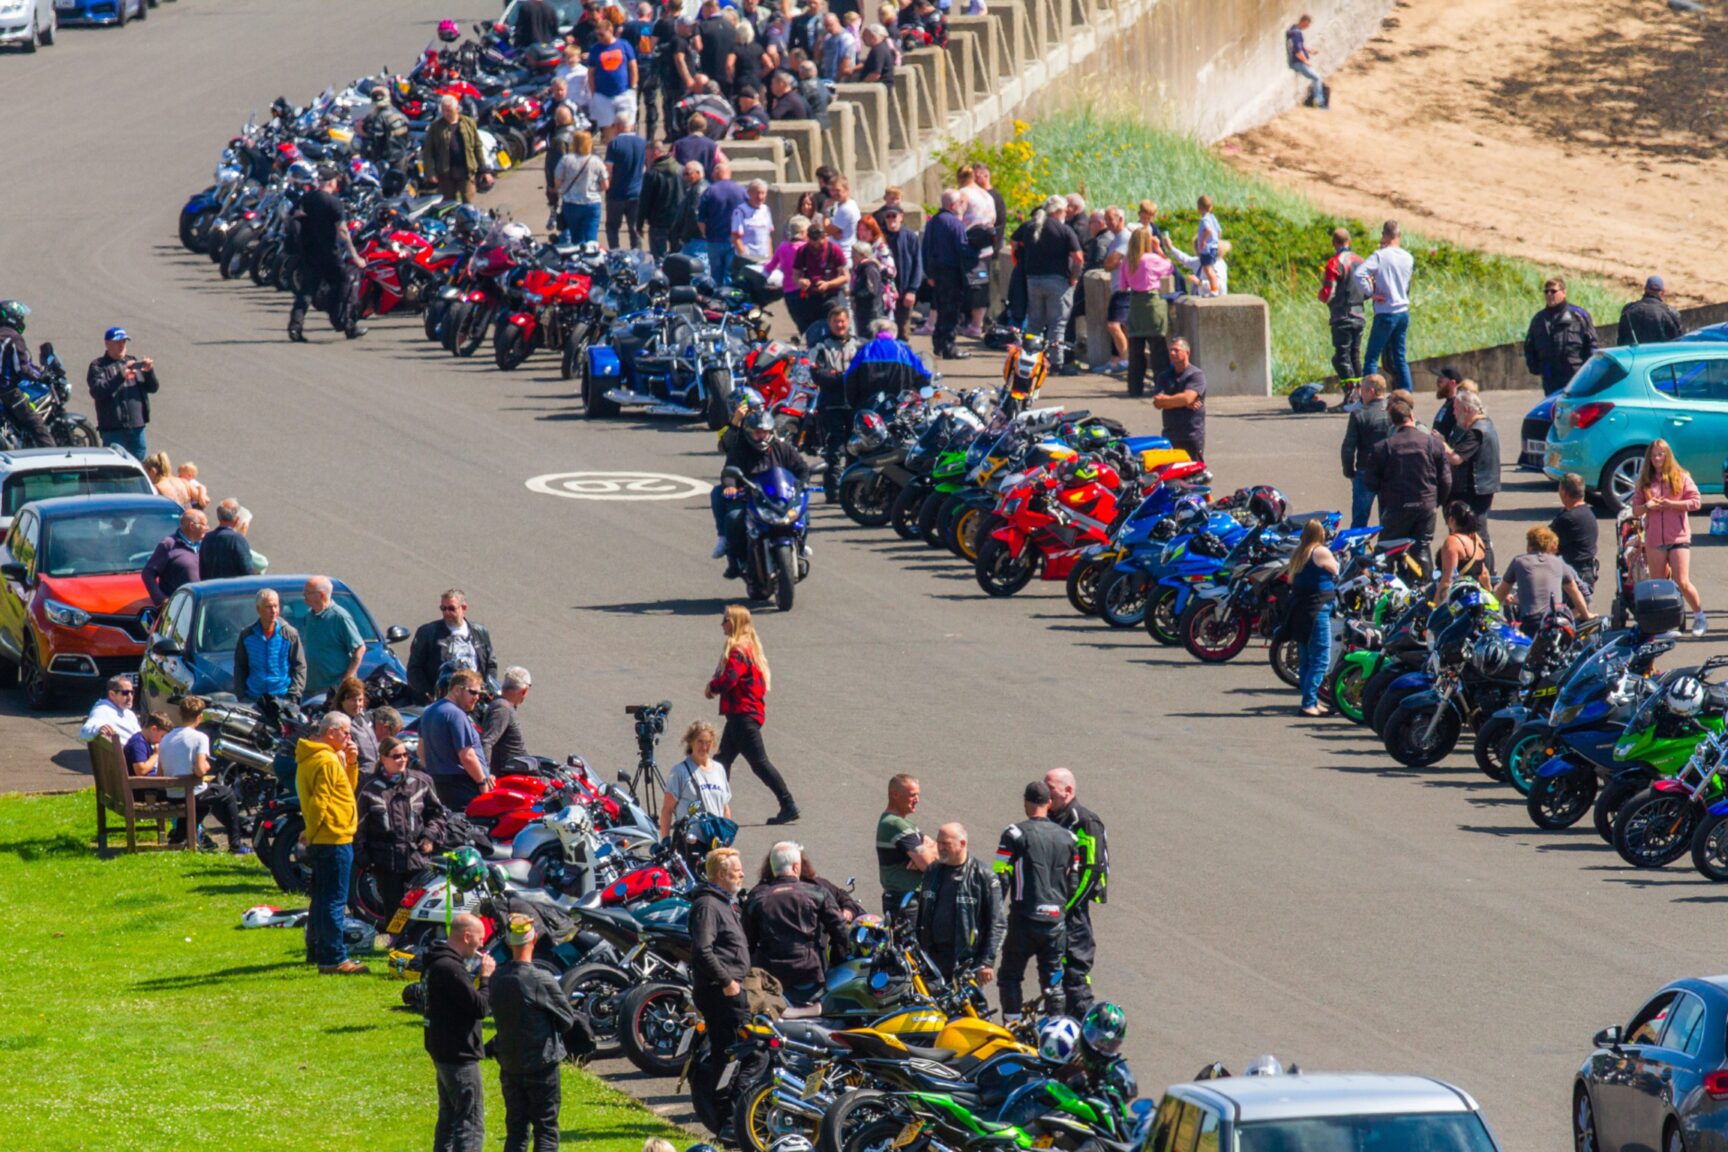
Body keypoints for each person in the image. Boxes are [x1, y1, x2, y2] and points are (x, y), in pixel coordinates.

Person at [491, 914, 578, 1152]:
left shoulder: (497, 977)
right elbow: (566, 1018)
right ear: (535, 938)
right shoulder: (540, 979)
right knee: (546, 1130)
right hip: (542, 1063)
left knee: (516, 1131)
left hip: (510, 1063)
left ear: (507, 942)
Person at [704, 605, 799, 823]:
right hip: (741, 715)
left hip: (742, 715)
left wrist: (712, 687)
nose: (722, 624)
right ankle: (715, 808)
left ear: (735, 622)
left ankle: (788, 803)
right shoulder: (749, 648)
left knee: (759, 763)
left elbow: (730, 679)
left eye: (725, 619)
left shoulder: (738, 651)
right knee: (722, 762)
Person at [688, 847, 756, 1137]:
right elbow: (702, 950)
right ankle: (729, 1123)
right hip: (722, 995)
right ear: (720, 875)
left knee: (740, 1053)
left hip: (728, 992)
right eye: (736, 871)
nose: (742, 874)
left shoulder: (723, 903)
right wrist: (727, 981)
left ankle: (731, 1120)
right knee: (742, 1055)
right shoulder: (708, 906)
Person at [994, 780, 1076, 1019]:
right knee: (1053, 981)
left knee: (1009, 976)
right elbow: (1073, 882)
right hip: (1055, 922)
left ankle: (1012, 1027)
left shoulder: (1014, 833)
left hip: (1023, 919)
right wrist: (1062, 911)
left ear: (1026, 803)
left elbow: (1001, 875)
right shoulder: (1069, 838)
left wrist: (994, 913)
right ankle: (1055, 1027)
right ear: (1049, 803)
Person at [744, 841, 849, 1005]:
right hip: (808, 973)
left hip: (769, 976)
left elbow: (746, 941)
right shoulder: (817, 893)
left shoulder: (756, 897)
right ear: (795, 867)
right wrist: (837, 960)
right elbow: (840, 930)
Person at [296, 710, 363, 971]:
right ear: (331, 732)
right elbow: (319, 803)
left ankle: (317, 950)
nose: (349, 738)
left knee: (322, 898)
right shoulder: (326, 760)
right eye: (346, 733)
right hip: (333, 837)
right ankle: (334, 957)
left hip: (327, 836)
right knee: (334, 900)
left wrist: (352, 764)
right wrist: (311, 834)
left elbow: (345, 790)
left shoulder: (318, 756)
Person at [355, 735, 448, 922]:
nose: (403, 759)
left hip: (417, 858)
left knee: (420, 911)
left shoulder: (421, 781)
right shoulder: (368, 787)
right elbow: (357, 826)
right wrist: (364, 858)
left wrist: (430, 837)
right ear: (383, 758)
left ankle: (418, 939)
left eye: (405, 755)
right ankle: (397, 939)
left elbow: (438, 815)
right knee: (395, 914)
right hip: (385, 862)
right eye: (396, 756)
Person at [424, 912, 495, 1152]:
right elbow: (480, 1007)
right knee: (470, 1123)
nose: (481, 944)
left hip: (442, 1051)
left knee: (448, 1119)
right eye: (480, 938)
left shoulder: (436, 962)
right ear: (466, 936)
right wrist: (485, 978)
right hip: (459, 1055)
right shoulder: (450, 968)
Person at [1044, 768, 1108, 1018]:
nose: (1045, 794)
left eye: (1050, 789)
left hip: (1073, 915)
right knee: (1051, 980)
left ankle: (1088, 1031)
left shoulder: (1085, 821)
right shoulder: (1048, 819)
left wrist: (1067, 908)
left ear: (1068, 791)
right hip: (1051, 912)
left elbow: (1092, 872)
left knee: (1075, 979)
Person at [1362, 396, 1450, 578]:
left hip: (1396, 507)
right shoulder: (1433, 443)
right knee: (1421, 547)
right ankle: (1422, 586)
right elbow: (1446, 480)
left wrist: (1385, 494)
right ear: (1412, 416)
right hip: (1425, 505)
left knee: (1386, 549)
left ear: (1392, 422)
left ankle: (1383, 585)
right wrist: (1435, 502)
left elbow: (1370, 482)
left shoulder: (1383, 447)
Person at [1632, 439, 1706, 636]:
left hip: (1678, 537)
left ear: (1667, 456)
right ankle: (1663, 625)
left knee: (1682, 580)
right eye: (1653, 455)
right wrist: (1647, 506)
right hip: (1654, 539)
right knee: (1658, 584)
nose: (1657, 458)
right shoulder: (1644, 481)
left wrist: (1672, 504)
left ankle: (1699, 616)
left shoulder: (1681, 476)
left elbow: (1696, 502)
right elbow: (1636, 510)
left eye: (1660, 454)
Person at [916, 822, 1003, 985]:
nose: (940, 847)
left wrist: (987, 961)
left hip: (967, 963)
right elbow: (921, 913)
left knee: (967, 1003)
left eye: (945, 843)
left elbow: (997, 923)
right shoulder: (932, 871)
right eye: (938, 842)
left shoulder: (983, 875)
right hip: (932, 960)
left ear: (962, 843)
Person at [287, 167, 366, 342]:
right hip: (330, 254)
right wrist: (355, 256)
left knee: (306, 291)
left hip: (309, 252)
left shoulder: (307, 198)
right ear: (331, 182)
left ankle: (295, 327)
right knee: (345, 284)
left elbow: (291, 216)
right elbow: (343, 231)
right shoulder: (334, 202)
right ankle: (347, 325)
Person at [1013, 196, 1083, 375]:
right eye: (1065, 211)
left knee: (1034, 323)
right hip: (1057, 281)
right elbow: (1078, 258)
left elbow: (1013, 243)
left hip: (1033, 279)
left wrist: (1021, 261)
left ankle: (1029, 359)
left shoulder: (1030, 226)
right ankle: (1055, 363)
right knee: (1057, 324)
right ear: (1058, 211)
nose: (1066, 214)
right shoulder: (1064, 229)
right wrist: (1074, 277)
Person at [1437, 388, 1502, 569]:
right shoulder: (1485, 424)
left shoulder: (1477, 430)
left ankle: (1486, 572)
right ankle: (1476, 570)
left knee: (1478, 533)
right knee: (1475, 533)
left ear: (1466, 409)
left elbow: (1456, 458)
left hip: (1474, 490)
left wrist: (1441, 443)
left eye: (1456, 409)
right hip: (1480, 488)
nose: (1454, 413)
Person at [1283, 520, 1339, 716]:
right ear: (1320, 534)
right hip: (1317, 609)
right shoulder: (1320, 551)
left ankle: (1311, 701)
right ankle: (1308, 704)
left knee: (1306, 658)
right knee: (1321, 659)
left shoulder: (1299, 553)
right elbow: (1336, 569)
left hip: (1301, 609)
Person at [1352, 220, 1414, 393]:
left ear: (1384, 235)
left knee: (1372, 357)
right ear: (1399, 235)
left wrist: (1371, 292)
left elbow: (1359, 274)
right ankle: (1407, 393)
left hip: (1386, 311)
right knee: (1400, 357)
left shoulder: (1380, 256)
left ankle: (1369, 395)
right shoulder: (1408, 257)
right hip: (1403, 311)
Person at [1495, 526, 1593, 635]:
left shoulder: (1519, 562)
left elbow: (1502, 591)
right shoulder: (1559, 563)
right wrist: (1586, 615)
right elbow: (1575, 593)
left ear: (1529, 545)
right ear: (1551, 545)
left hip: (1531, 622)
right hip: (1556, 621)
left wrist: (1490, 611)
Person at [408, 589, 499, 704]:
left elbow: (491, 664)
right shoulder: (427, 632)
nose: (446, 613)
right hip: (443, 700)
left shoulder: (480, 632)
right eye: (443, 608)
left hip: (474, 699)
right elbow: (414, 669)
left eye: (451, 608)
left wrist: (487, 689)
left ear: (464, 608)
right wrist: (429, 694)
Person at [421, 669, 494, 811]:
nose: (477, 697)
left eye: (479, 693)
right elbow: (467, 756)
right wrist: (482, 782)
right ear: (456, 690)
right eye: (472, 692)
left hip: (439, 782)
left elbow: (421, 750)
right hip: (462, 786)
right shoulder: (456, 714)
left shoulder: (429, 711)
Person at [810, 303, 862, 499]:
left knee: (855, 448)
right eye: (835, 321)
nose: (839, 325)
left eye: (842, 321)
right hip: (831, 405)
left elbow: (865, 373)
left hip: (855, 404)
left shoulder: (859, 345)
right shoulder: (820, 346)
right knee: (835, 449)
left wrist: (838, 375)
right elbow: (819, 375)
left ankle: (852, 491)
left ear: (848, 322)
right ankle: (833, 491)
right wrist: (847, 377)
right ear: (829, 323)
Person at [85, 326, 157, 458]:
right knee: (114, 466)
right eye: (117, 342)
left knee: (138, 464)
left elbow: (153, 388)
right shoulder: (98, 366)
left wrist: (149, 372)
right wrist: (120, 376)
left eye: (124, 341)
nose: (121, 345)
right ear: (107, 344)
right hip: (113, 429)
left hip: (136, 427)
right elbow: (97, 391)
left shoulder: (132, 361)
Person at [1119, 226, 1174, 396]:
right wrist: (1159, 249)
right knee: (1158, 350)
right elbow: (1170, 267)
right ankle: (1162, 387)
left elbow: (1123, 286)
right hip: (1152, 304)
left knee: (1136, 351)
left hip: (1135, 305)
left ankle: (1135, 388)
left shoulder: (1127, 261)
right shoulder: (1151, 259)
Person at [1524, 276, 1599, 395]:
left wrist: (1588, 372)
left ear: (1563, 293)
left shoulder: (1578, 316)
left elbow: (1592, 345)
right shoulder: (1539, 320)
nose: (1549, 294)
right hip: (1550, 379)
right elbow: (1529, 346)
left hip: (1575, 377)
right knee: (1553, 406)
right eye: (1546, 292)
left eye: (1553, 291)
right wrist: (1536, 368)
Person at [877, 773, 937, 919]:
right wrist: (925, 855)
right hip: (904, 900)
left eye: (918, 794)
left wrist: (928, 851)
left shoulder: (905, 824)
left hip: (912, 898)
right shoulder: (894, 824)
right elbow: (928, 864)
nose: (917, 799)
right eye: (912, 795)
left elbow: (937, 846)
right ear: (895, 795)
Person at [922, 189, 972, 360]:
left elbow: (925, 249)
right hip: (951, 274)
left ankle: (939, 344)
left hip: (936, 274)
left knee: (942, 310)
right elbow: (963, 248)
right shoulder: (955, 224)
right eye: (960, 203)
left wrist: (929, 274)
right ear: (953, 205)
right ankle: (949, 346)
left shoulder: (933, 222)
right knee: (951, 312)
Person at [233, 588, 306, 703]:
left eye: (276, 606)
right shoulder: (247, 635)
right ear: (258, 609)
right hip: (253, 700)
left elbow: (299, 666)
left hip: (283, 700)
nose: (273, 610)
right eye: (268, 607)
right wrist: (242, 696)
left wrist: (294, 695)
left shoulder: (290, 634)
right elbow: (240, 667)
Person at [661, 719, 733, 836]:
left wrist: (726, 835)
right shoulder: (679, 771)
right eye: (700, 741)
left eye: (708, 742)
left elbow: (725, 807)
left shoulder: (719, 769)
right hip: (689, 841)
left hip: (714, 840)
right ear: (691, 742)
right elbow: (667, 810)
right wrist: (665, 840)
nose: (704, 747)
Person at [0, 299, 54, 448]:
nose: (22, 320)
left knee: (14, 422)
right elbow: (22, 368)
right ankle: (52, 455)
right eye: (20, 317)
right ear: (13, 318)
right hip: (7, 391)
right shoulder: (13, 337)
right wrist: (41, 376)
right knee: (36, 424)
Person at [301, 576, 366, 697]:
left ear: (321, 595)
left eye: (307, 592)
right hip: (309, 688)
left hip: (332, 690)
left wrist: (346, 681)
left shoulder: (339, 617)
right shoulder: (310, 616)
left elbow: (360, 648)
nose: (304, 595)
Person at [1339, 374, 1389, 529]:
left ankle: (1358, 545)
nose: (1361, 394)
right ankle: (1387, 544)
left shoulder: (1359, 414)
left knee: (1359, 521)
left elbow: (1348, 448)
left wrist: (1349, 472)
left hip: (1366, 471)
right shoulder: (1395, 412)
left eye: (1362, 390)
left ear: (1371, 391)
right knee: (1388, 520)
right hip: (1390, 471)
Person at [1318, 227, 1364, 387]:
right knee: (1355, 356)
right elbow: (1368, 290)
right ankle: (1360, 393)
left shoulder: (1334, 263)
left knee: (1341, 358)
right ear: (1349, 241)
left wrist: (1320, 295)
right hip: (1360, 315)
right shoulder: (1361, 261)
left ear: (1333, 243)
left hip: (1342, 317)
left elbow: (1328, 294)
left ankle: (1350, 393)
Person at [1151, 337, 1207, 463]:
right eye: (1170, 350)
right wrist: (1183, 402)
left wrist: (1169, 401)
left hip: (1191, 435)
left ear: (1187, 353)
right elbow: (1157, 402)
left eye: (1176, 350)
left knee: (1192, 470)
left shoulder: (1196, 375)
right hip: (1170, 434)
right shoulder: (1164, 376)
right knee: (1170, 471)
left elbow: (1187, 398)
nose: (1172, 353)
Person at [425, 95, 486, 206]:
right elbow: (428, 152)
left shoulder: (469, 123)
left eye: (449, 110)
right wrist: (430, 173)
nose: (446, 113)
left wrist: (484, 169)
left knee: (468, 202)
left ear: (457, 109)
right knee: (447, 204)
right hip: (445, 173)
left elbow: (477, 146)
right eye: (443, 110)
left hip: (467, 170)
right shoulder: (435, 127)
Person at [792, 216, 849, 331]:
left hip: (829, 295)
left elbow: (845, 277)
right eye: (813, 244)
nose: (816, 247)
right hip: (809, 296)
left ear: (825, 237)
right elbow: (795, 274)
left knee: (830, 326)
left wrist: (828, 284)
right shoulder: (802, 251)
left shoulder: (835, 250)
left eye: (819, 243)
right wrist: (800, 281)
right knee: (809, 328)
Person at [141, 508, 206, 607]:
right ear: (192, 526)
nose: (207, 528)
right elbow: (148, 573)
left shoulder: (206, 544)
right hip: (179, 608)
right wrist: (162, 600)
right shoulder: (169, 545)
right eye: (204, 525)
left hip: (202, 606)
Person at [698, 158, 748, 285]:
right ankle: (729, 295)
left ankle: (718, 295)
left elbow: (701, 220)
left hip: (714, 240)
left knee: (715, 277)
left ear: (716, 173)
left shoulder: (709, 191)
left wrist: (706, 234)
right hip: (735, 240)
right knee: (731, 275)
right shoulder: (741, 190)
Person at [1432, 501, 1492, 604]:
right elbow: (1484, 573)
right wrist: (1491, 593)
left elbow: (1448, 579)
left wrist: (1435, 607)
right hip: (1476, 597)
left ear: (1451, 520)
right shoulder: (1477, 539)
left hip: (1459, 599)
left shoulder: (1452, 542)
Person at [1550, 473, 1599, 599]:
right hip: (1585, 572)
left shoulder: (1569, 518)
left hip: (1573, 575)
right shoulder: (1585, 512)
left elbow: (1545, 542)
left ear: (1564, 493)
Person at [554, 131, 608, 245]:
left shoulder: (565, 160)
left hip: (571, 204)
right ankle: (592, 253)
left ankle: (578, 253)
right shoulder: (596, 161)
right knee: (591, 238)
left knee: (576, 238)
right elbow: (605, 185)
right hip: (592, 203)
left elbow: (557, 182)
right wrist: (594, 189)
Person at [587, 18, 640, 133]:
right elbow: (591, 73)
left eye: (602, 34)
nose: (599, 38)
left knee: (627, 126)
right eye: (597, 35)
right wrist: (594, 93)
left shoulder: (624, 45)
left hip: (624, 92)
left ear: (610, 31)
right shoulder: (595, 49)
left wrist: (633, 87)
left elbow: (633, 66)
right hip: (603, 94)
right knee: (608, 129)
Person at [603, 113, 648, 248]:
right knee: (635, 229)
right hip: (637, 193)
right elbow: (646, 167)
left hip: (616, 194)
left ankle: (615, 253)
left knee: (612, 228)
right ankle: (637, 255)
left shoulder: (614, 144)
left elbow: (609, 169)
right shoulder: (643, 143)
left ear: (617, 126)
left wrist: (606, 187)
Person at [882, 204, 922, 341]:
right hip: (886, 292)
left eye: (894, 216)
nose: (891, 219)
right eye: (888, 216)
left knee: (902, 331)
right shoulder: (881, 236)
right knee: (884, 329)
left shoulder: (910, 236)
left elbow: (918, 264)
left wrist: (912, 290)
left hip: (904, 291)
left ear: (901, 217)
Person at [482, 666, 532, 773]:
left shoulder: (503, 705)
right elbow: (487, 741)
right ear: (524, 691)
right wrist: (485, 774)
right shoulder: (503, 708)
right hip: (508, 774)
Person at [359, 87, 411, 187]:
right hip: (401, 155)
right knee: (400, 183)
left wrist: (362, 133)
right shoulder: (398, 114)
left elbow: (375, 137)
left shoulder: (378, 117)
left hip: (387, 158)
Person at [638, 146, 684, 259]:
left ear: (655, 154)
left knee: (658, 257)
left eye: (647, 156)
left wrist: (639, 224)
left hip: (658, 221)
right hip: (678, 220)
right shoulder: (682, 170)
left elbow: (645, 201)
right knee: (679, 257)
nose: (646, 159)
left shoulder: (651, 174)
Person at [1617, 275, 1684, 347]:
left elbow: (1621, 341)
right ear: (1662, 293)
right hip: (1659, 353)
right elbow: (1677, 343)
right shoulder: (1670, 313)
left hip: (1634, 353)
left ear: (1645, 289)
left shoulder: (1628, 310)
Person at [330, 676, 378, 772]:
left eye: (360, 700)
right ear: (342, 701)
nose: (357, 704)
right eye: (353, 700)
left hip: (373, 774)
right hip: (356, 775)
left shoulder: (363, 719)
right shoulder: (338, 725)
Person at [198, 499, 254, 580]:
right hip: (232, 586)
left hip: (211, 586)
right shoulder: (237, 540)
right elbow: (248, 571)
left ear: (219, 518)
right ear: (237, 519)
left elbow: (202, 570)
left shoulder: (207, 538)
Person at [79, 673, 141, 744]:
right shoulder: (102, 711)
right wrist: (98, 728)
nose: (130, 697)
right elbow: (84, 732)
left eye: (132, 692)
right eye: (125, 693)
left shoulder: (128, 713)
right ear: (112, 694)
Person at [731, 179, 775, 265]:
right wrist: (744, 257)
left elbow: (768, 236)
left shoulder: (766, 210)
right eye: (757, 193)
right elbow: (735, 238)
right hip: (748, 259)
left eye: (763, 193)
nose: (760, 197)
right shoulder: (740, 211)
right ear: (749, 193)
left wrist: (770, 258)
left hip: (764, 259)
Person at [1286, 13, 1327, 108]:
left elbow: (1300, 46)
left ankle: (1317, 99)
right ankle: (1319, 101)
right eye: (1308, 24)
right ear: (1304, 22)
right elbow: (1297, 51)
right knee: (1316, 78)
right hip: (1297, 62)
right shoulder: (1296, 33)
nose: (1308, 27)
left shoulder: (1293, 29)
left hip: (1296, 61)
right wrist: (1306, 61)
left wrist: (1309, 50)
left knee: (1316, 77)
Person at [673, 160, 710, 251]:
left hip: (695, 239)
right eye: (683, 174)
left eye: (687, 174)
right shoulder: (697, 187)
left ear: (698, 173)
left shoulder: (698, 190)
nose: (684, 177)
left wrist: (685, 236)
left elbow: (694, 215)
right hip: (695, 238)